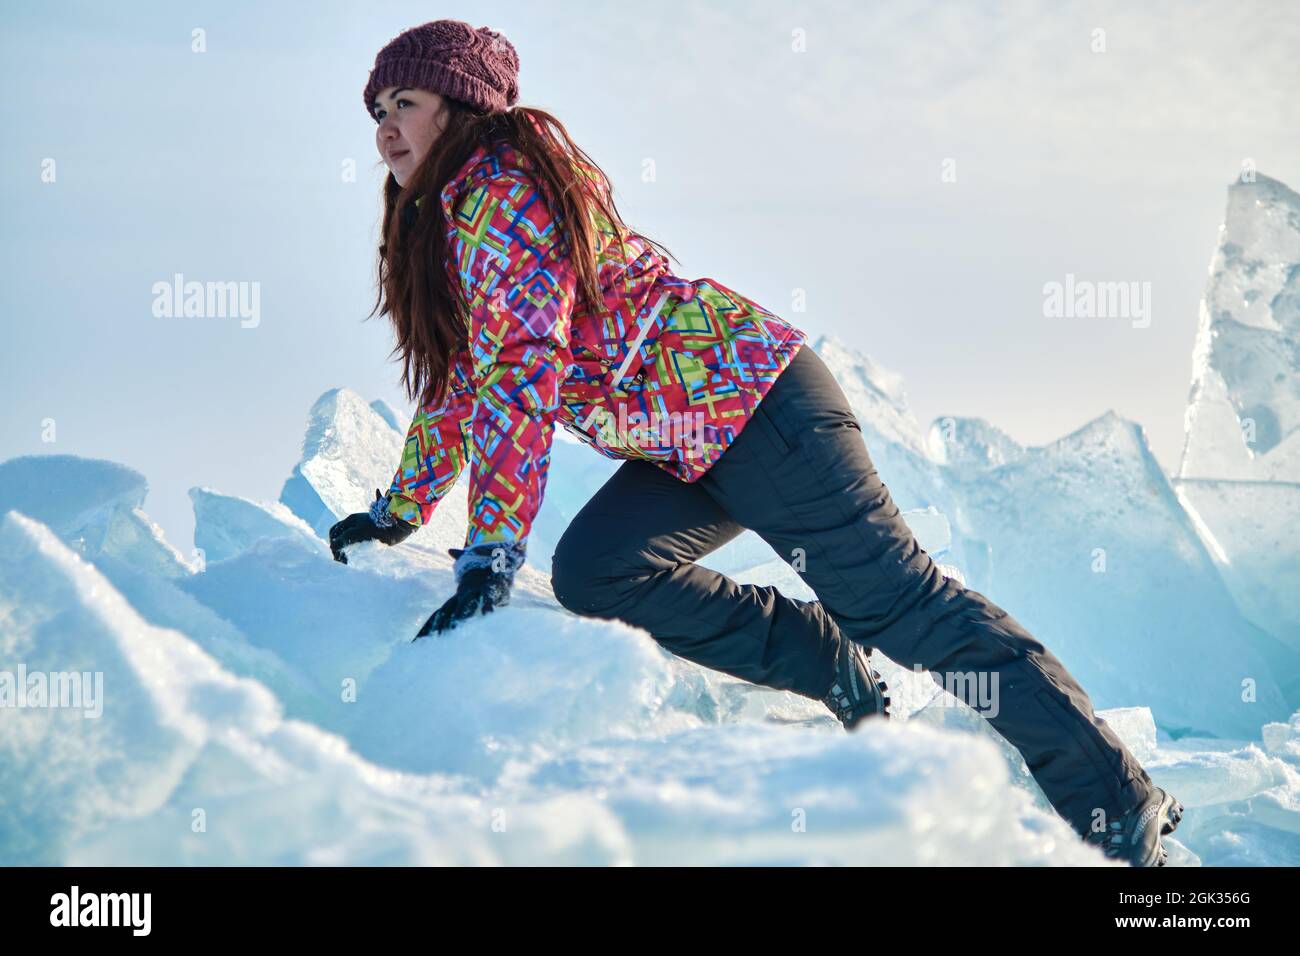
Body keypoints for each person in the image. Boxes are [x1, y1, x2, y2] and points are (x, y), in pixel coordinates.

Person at [328, 18, 1183, 866]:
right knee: (599, 571)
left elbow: (518, 371)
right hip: (686, 441)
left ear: (462, 106)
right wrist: (400, 510)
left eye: (404, 100)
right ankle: (826, 661)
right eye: (375, 111)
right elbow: (465, 382)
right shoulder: (448, 218)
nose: (385, 127)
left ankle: (1118, 800)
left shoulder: (502, 189)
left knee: (903, 608)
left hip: (761, 405)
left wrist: (490, 555)